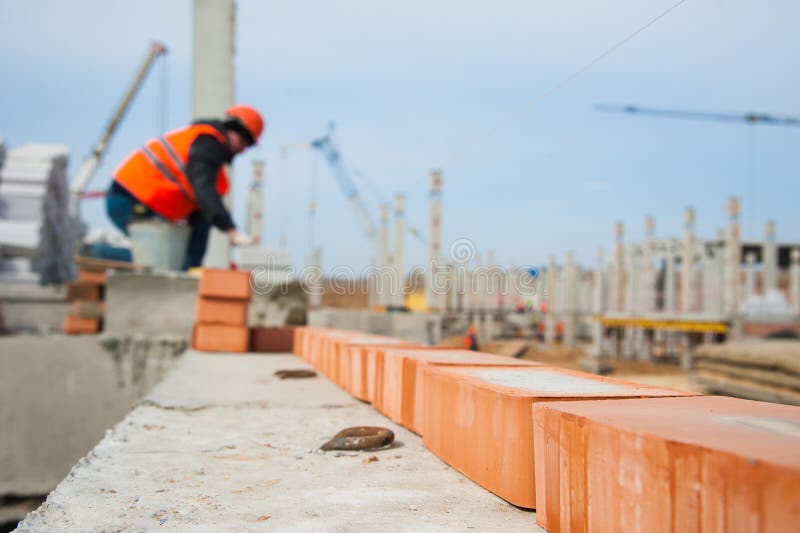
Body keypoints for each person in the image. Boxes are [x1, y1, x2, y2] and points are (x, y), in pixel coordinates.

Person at [106, 104, 263, 269]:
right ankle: (97, 253)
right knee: (160, 261)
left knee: (174, 259)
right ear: (233, 130)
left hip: (141, 199)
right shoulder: (207, 144)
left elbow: (203, 200)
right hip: (130, 198)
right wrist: (230, 229)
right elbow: (204, 190)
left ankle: (190, 269)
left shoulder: (205, 146)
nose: (243, 149)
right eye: (244, 141)